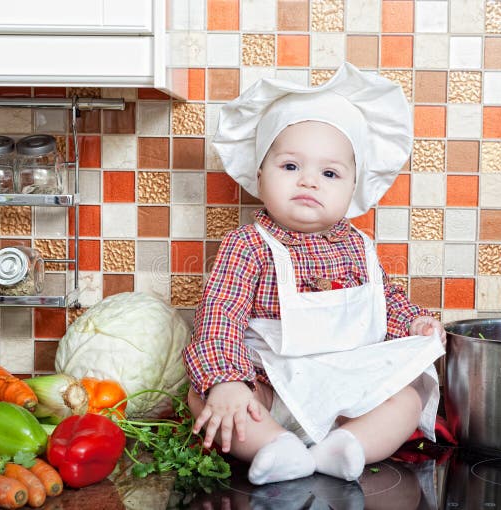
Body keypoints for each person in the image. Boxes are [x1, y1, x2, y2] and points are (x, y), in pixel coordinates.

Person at [183, 63, 447, 486]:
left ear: (354, 188)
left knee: (408, 395)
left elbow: (387, 301)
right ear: (259, 175)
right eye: (290, 166)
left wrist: (414, 322)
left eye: (329, 173)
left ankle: (349, 445)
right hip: (271, 390)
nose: (309, 181)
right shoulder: (248, 245)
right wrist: (228, 382)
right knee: (204, 396)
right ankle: (273, 445)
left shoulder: (358, 246)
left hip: (348, 394)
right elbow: (219, 317)